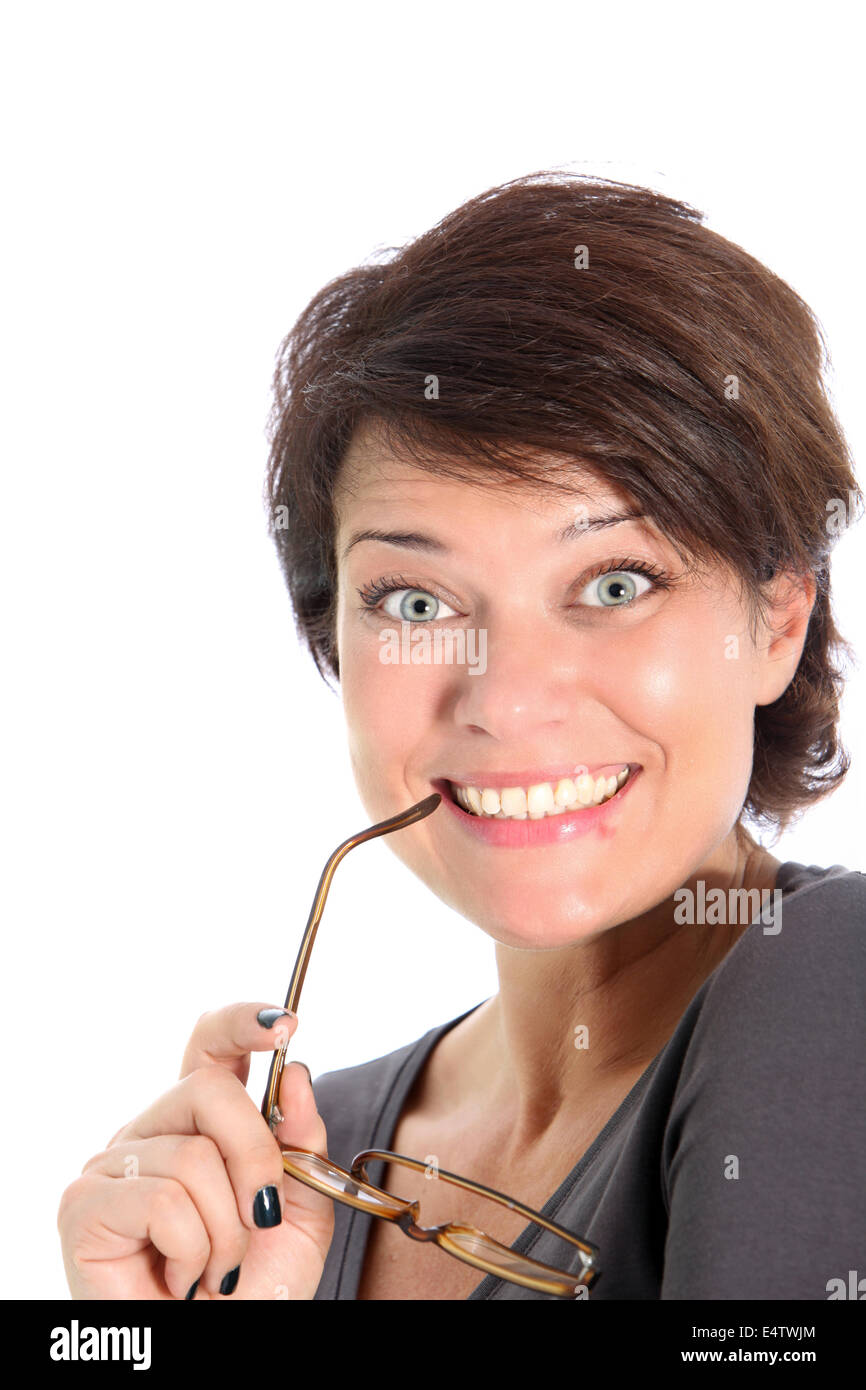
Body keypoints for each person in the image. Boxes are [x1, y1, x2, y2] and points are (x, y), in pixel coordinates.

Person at [58, 171, 866, 1300]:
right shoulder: (310, 1144)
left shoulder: (832, 977)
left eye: (615, 581)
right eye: (416, 602)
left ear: (777, 616)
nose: (504, 699)